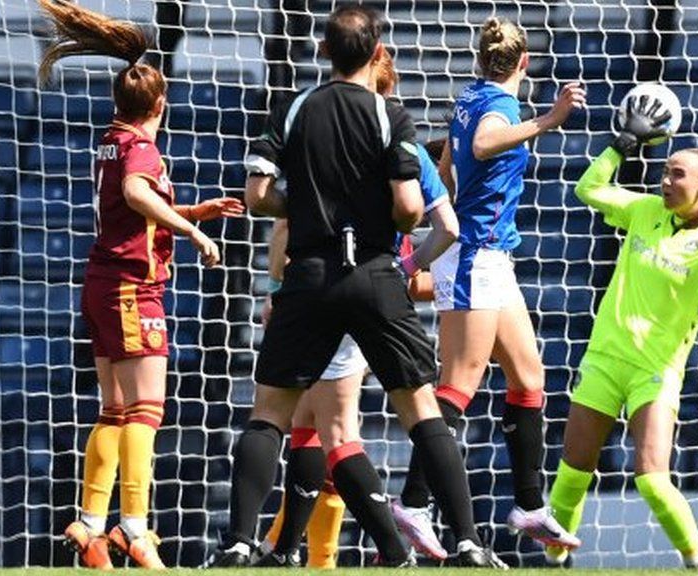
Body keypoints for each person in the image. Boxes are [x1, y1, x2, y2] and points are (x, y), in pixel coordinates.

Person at [211, 4, 497, 567]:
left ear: (323, 52)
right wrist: (384, 221)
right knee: (420, 410)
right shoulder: (389, 114)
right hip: (371, 272)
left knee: (270, 412)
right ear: (375, 52)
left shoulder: (293, 108)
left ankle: (241, 544)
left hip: (311, 273)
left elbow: (257, 196)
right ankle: (467, 542)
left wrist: (308, 208)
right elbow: (411, 208)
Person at [37, 0, 243, 569]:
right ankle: (134, 527)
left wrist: (195, 211)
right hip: (133, 286)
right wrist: (193, 234)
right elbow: (134, 194)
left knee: (113, 411)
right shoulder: (142, 148)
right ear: (160, 104)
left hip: (103, 282)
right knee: (146, 413)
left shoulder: (112, 137)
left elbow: (134, 206)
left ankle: (89, 523)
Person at [247, 50, 463, 569]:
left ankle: (374, 547)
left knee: (331, 427)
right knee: (317, 424)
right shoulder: (399, 145)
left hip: (321, 285)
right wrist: (404, 271)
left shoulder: (325, 141)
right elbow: (444, 224)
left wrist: (278, 288)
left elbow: (283, 227)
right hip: (373, 287)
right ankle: (295, 550)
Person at [392, 16, 586, 557]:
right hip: (476, 254)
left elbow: (451, 165)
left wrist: (448, 215)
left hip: (487, 254)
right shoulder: (500, 108)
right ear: (525, 63)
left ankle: (528, 505)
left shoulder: (468, 96)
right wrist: (552, 118)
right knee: (458, 384)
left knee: (528, 376)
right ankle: (414, 500)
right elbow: (481, 146)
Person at [546, 95, 698, 568]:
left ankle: (696, 561)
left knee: (651, 478)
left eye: (677, 174)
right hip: (604, 359)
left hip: (655, 372)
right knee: (572, 473)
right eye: (665, 172)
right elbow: (588, 189)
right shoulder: (643, 210)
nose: (666, 180)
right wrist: (619, 147)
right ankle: (553, 562)